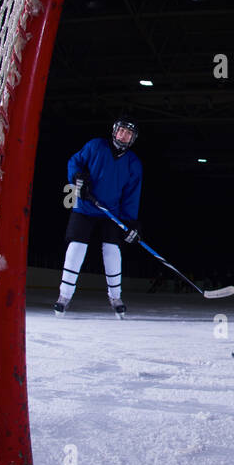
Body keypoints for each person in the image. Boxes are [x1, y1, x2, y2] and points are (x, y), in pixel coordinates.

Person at [54, 117, 143, 319]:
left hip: (111, 212)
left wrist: (130, 223)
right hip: (85, 206)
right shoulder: (95, 146)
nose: (123, 135)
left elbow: (131, 195)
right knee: (77, 246)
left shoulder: (133, 163)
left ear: (133, 138)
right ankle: (64, 296)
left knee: (112, 249)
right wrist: (78, 177)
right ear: (114, 131)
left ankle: (115, 297)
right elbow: (74, 162)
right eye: (121, 131)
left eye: (128, 133)